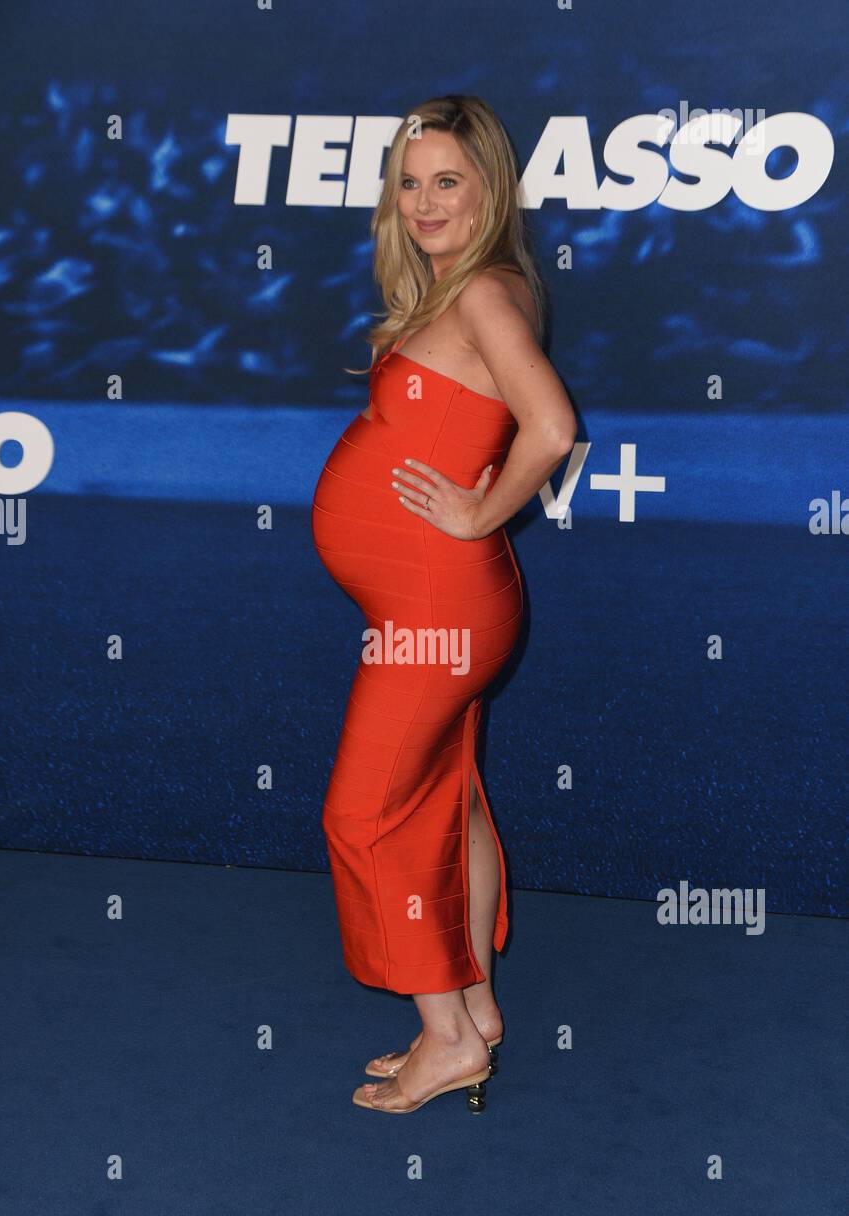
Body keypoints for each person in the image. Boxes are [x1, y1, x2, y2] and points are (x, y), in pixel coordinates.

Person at [311, 94, 576, 1114]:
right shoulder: (462, 288)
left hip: (440, 609)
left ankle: (447, 1037)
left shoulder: (483, 300)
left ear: (489, 188)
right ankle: (477, 1008)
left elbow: (549, 427)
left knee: (365, 811)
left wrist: (477, 514)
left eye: (448, 181)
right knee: (443, 794)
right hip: (436, 607)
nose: (424, 202)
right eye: (409, 181)